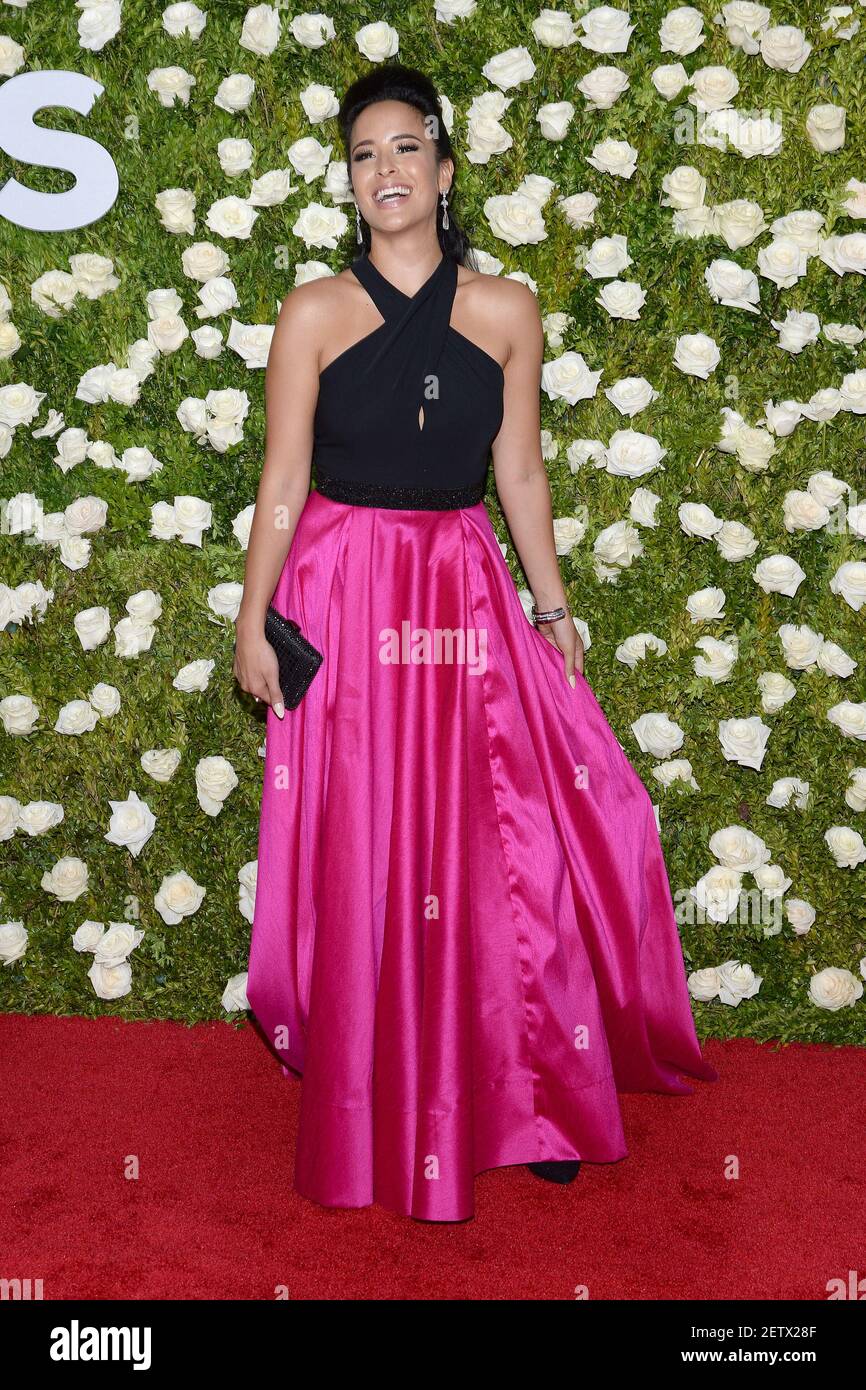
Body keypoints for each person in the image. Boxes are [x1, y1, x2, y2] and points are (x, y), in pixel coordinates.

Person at [235, 63, 718, 1223]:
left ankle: (531, 1096)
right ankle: (368, 1090)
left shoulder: (506, 309)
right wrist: (251, 619)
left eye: (406, 149)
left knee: (499, 844)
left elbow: (518, 472)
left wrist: (553, 612)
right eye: (363, 154)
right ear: (347, 184)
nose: (385, 170)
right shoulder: (311, 311)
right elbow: (284, 479)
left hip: (458, 594)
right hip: (345, 596)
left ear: (444, 172)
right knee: (369, 848)